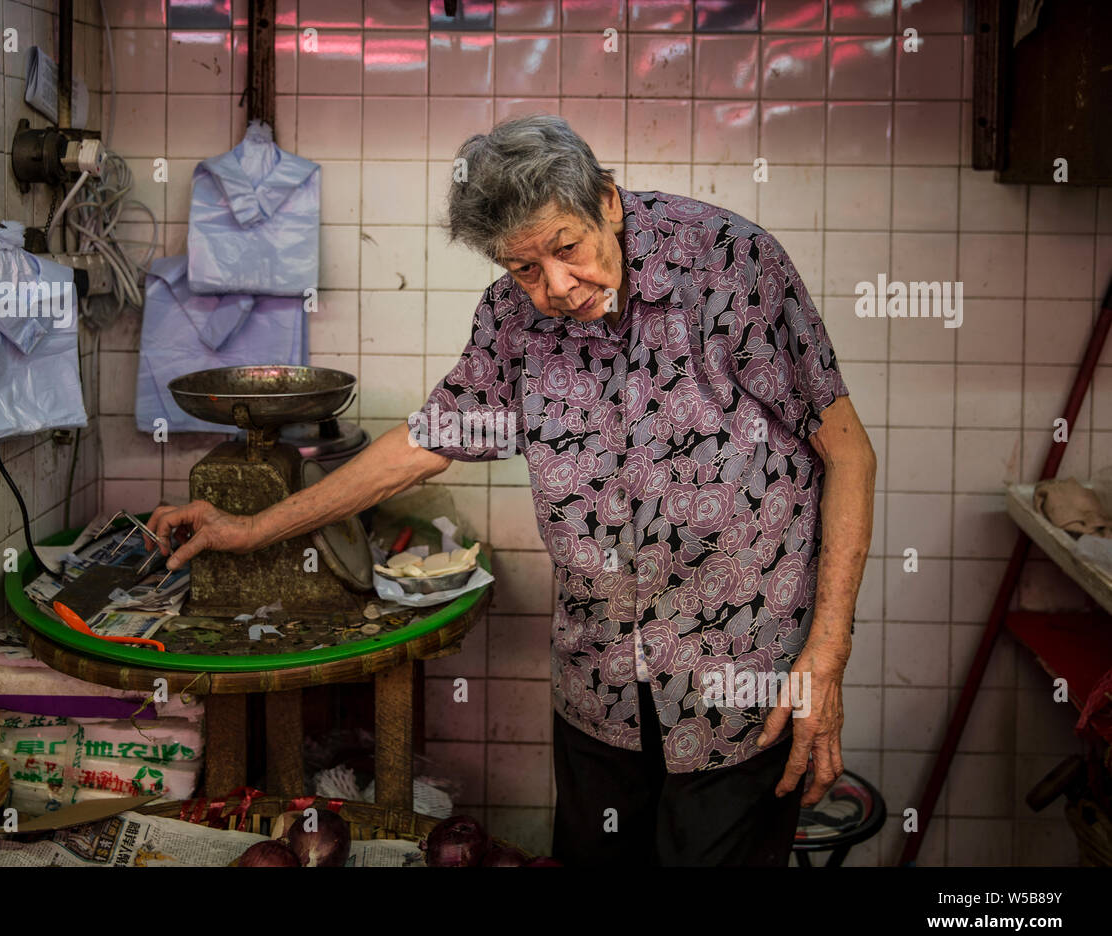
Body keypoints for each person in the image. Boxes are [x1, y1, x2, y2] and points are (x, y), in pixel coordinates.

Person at [148, 114, 877, 867]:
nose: (555, 288)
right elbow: (423, 444)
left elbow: (850, 456)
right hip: (603, 687)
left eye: (567, 249)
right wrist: (251, 528)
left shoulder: (734, 265)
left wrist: (826, 654)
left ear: (608, 202)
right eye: (525, 268)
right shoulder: (510, 320)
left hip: (740, 677)